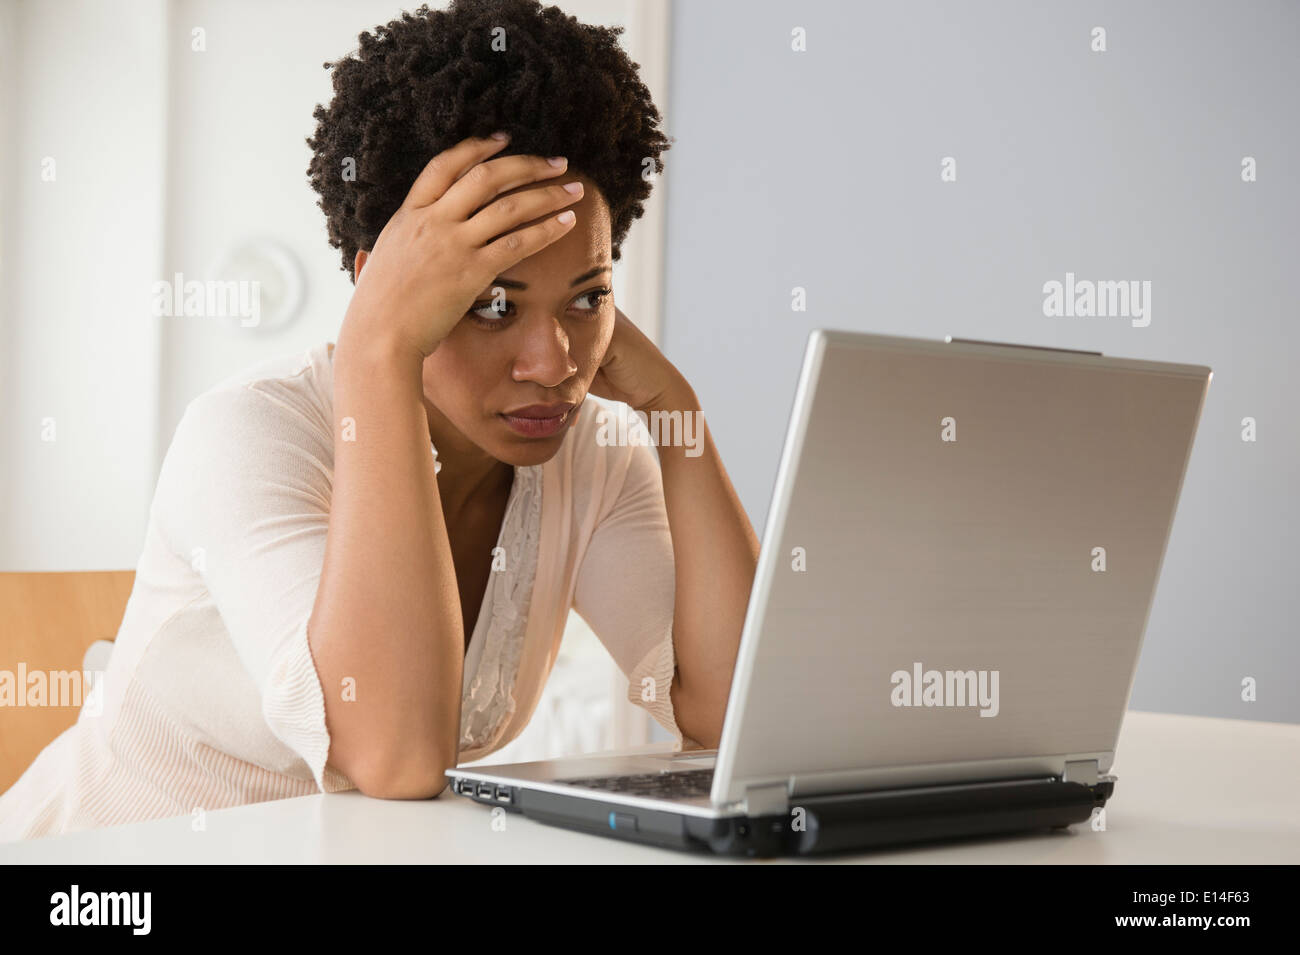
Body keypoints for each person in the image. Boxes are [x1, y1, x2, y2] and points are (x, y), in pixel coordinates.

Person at [0, 0, 757, 841]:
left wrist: (677, 414)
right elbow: (397, 756)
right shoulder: (246, 435)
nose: (555, 363)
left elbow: (739, 721)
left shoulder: (595, 456)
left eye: (588, 299)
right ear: (387, 288)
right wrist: (376, 351)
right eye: (493, 305)